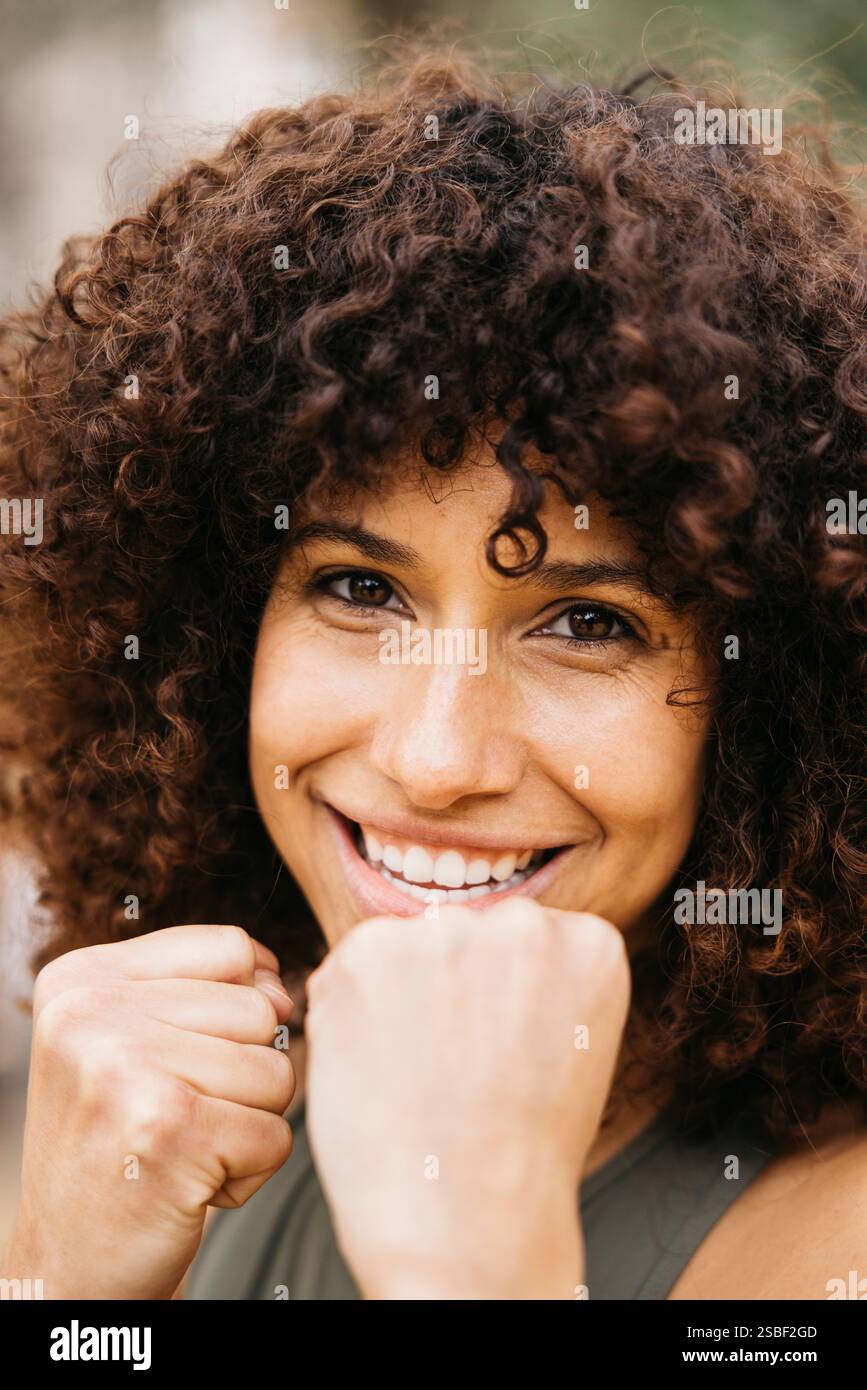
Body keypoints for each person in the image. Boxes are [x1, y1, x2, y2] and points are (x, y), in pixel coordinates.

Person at [0, 46, 865, 1301]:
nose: (433, 758)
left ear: (771, 707)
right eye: (360, 589)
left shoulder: (826, 1242)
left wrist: (476, 1254)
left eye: (586, 623)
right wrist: (63, 1288)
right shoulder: (191, 1101)